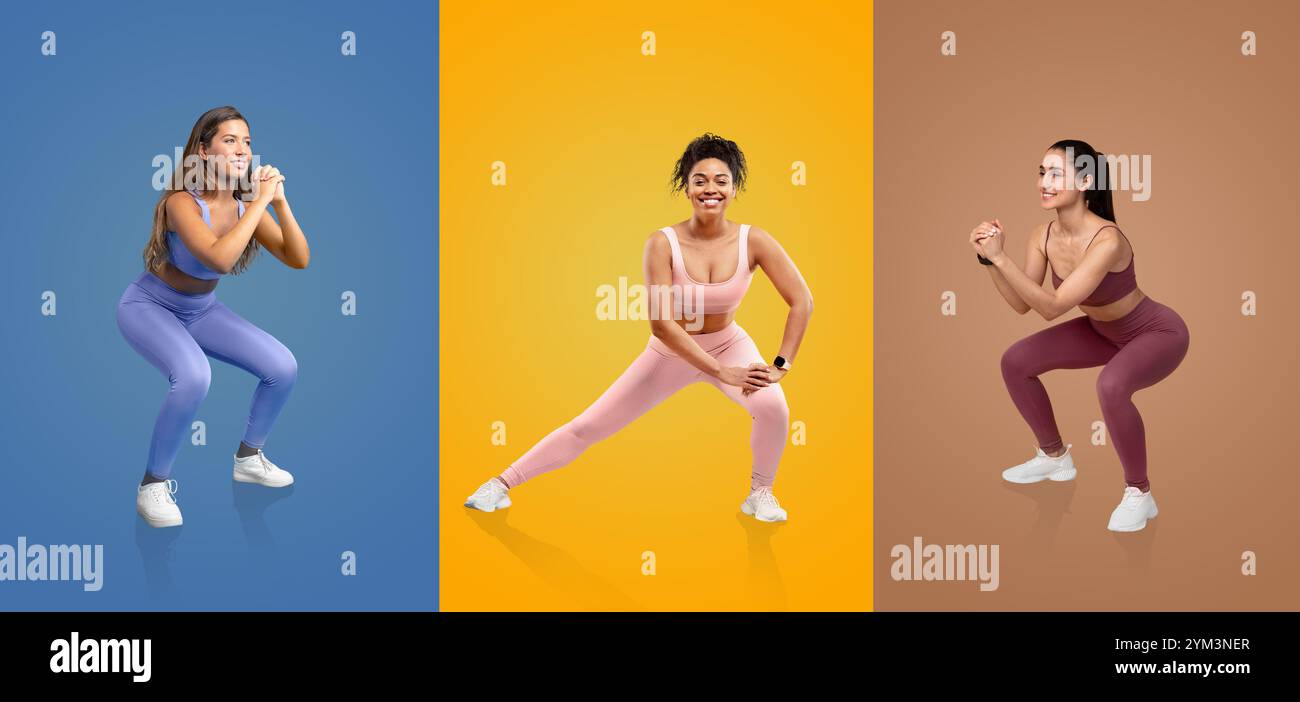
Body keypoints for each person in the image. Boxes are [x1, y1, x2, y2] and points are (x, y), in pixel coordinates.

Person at [465, 133, 813, 522]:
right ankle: (501, 484)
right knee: (590, 426)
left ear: (734, 187)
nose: (710, 189)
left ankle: (760, 493)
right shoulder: (662, 243)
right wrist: (720, 372)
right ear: (686, 187)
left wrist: (781, 365)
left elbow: (802, 301)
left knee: (773, 408)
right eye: (700, 180)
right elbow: (662, 324)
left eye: (720, 180)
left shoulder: (755, 240)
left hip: (730, 344)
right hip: (671, 352)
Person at [972, 139, 1189, 532]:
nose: (1044, 181)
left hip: (1155, 331)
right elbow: (1023, 304)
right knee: (1015, 361)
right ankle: (1055, 457)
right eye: (1042, 172)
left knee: (1111, 386)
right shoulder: (1042, 234)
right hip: (1101, 331)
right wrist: (990, 261)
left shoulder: (1108, 240)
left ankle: (1140, 493)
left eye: (1056, 173)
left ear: (1086, 180)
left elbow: (1053, 307)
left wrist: (1002, 258)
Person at [117, 106, 310, 528]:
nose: (242, 149)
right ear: (203, 151)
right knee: (194, 376)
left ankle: (249, 459)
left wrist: (278, 202)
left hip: (202, 311)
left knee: (283, 366)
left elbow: (299, 258)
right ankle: (152, 485)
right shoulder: (181, 203)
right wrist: (259, 202)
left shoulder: (247, 207)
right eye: (230, 140)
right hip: (149, 307)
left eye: (247, 141)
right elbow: (221, 260)